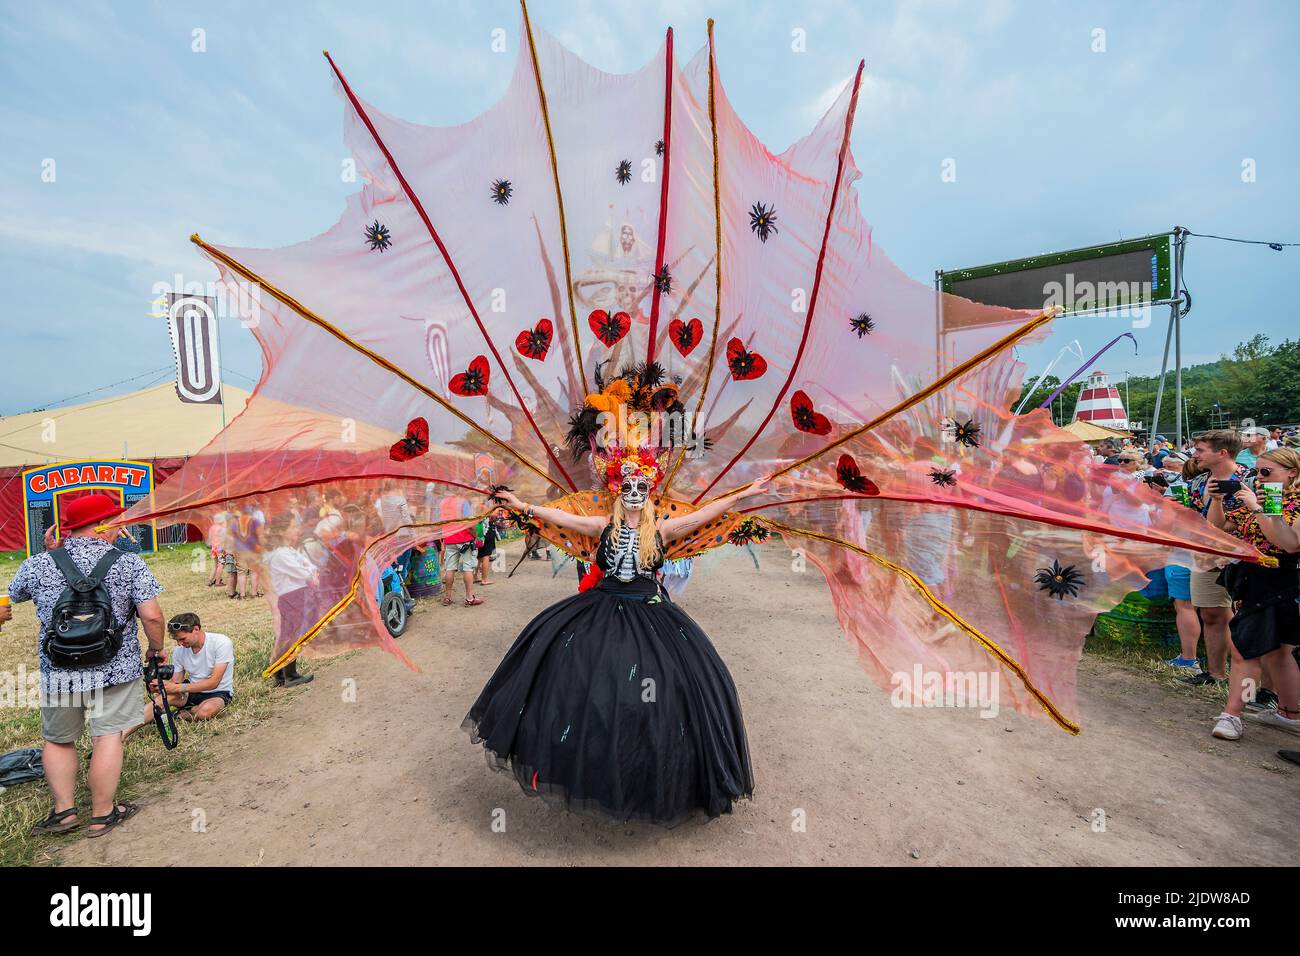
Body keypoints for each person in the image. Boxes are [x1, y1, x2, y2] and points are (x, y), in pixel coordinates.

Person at [471, 457, 767, 824]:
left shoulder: (662, 530)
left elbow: (704, 515)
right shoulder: (602, 526)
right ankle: (585, 767)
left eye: (642, 489)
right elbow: (560, 519)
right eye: (628, 488)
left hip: (649, 610)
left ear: (649, 495)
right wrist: (522, 506)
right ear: (619, 493)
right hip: (602, 606)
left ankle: (651, 776)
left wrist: (745, 493)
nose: (635, 494)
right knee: (582, 677)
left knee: (667, 686)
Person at [6, 493, 166, 837]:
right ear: (105, 526)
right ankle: (102, 814)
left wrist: (53, 556)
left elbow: (12, 595)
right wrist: (155, 649)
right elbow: (152, 615)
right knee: (107, 736)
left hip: (59, 669)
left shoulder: (39, 563)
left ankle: (64, 812)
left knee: (59, 740)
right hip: (115, 666)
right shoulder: (128, 563)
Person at [1206, 448, 1300, 740]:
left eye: (1266, 472)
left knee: (1246, 649)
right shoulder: (1265, 498)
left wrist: (1259, 510)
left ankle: (1233, 715)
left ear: (1292, 473)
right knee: (1277, 654)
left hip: (1279, 581)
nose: (1258, 478)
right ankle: (1290, 713)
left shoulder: (1293, 503)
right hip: (1253, 579)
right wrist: (1219, 501)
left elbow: (1288, 543)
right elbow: (1217, 528)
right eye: (1256, 472)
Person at [1181, 430, 1249, 686]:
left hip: (1242, 560)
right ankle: (1215, 673)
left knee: (1245, 617)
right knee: (1210, 614)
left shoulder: (1250, 479)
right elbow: (1195, 516)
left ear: (1221, 453)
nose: (1194, 455)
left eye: (1200, 450)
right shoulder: (1199, 482)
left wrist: (1229, 525)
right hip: (1205, 556)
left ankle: (1251, 680)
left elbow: (1258, 517)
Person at [134, 612, 235, 732]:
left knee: (205, 712)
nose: (180, 644)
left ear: (196, 629)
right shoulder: (179, 651)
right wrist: (161, 686)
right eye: (177, 640)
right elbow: (176, 681)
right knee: (161, 699)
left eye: (182, 639)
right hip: (190, 691)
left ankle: (179, 715)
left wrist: (176, 688)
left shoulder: (221, 642)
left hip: (218, 692)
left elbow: (213, 682)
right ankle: (124, 731)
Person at [264, 514, 316, 687]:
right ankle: (289, 675)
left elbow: (309, 566)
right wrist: (310, 573)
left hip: (298, 594)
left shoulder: (289, 551)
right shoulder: (280, 555)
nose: (297, 530)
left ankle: (279, 672)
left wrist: (310, 571)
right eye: (293, 527)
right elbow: (305, 572)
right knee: (292, 636)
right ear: (282, 532)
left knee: (292, 635)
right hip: (292, 596)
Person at [441, 515, 483, 607]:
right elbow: (470, 526)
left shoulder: (444, 502)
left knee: (450, 568)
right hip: (465, 539)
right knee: (468, 568)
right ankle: (469, 598)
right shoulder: (463, 503)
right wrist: (476, 537)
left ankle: (447, 598)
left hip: (449, 538)